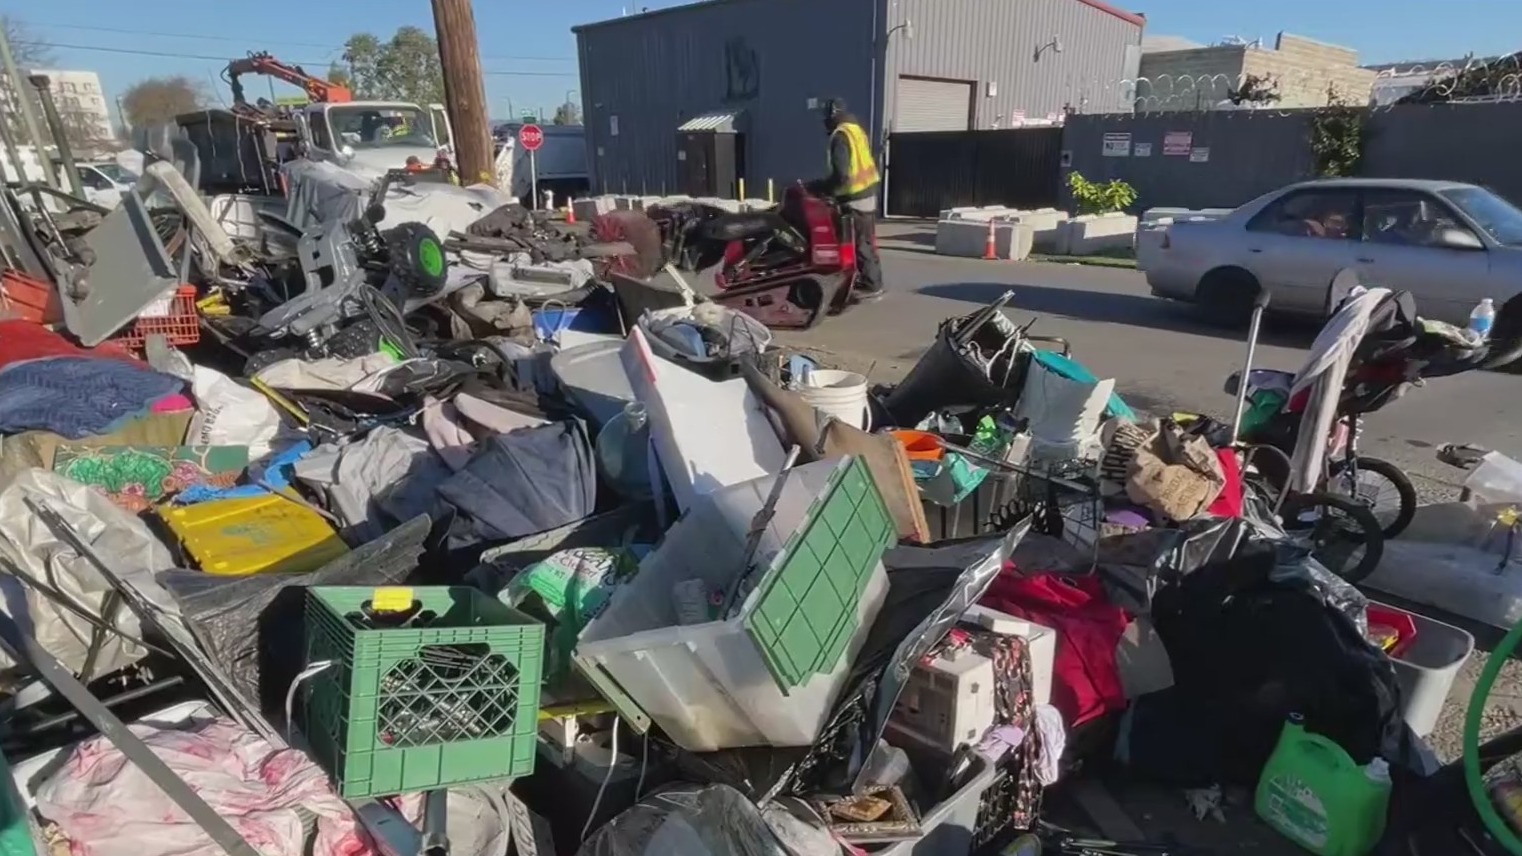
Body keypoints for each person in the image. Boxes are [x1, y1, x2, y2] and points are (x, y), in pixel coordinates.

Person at [808, 98, 885, 302]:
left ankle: (871, 285)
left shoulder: (840, 135)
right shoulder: (856, 131)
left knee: (860, 243)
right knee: (867, 240)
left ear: (832, 115)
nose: (824, 122)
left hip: (854, 197)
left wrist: (823, 189)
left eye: (826, 117)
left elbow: (841, 175)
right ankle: (871, 280)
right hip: (867, 193)